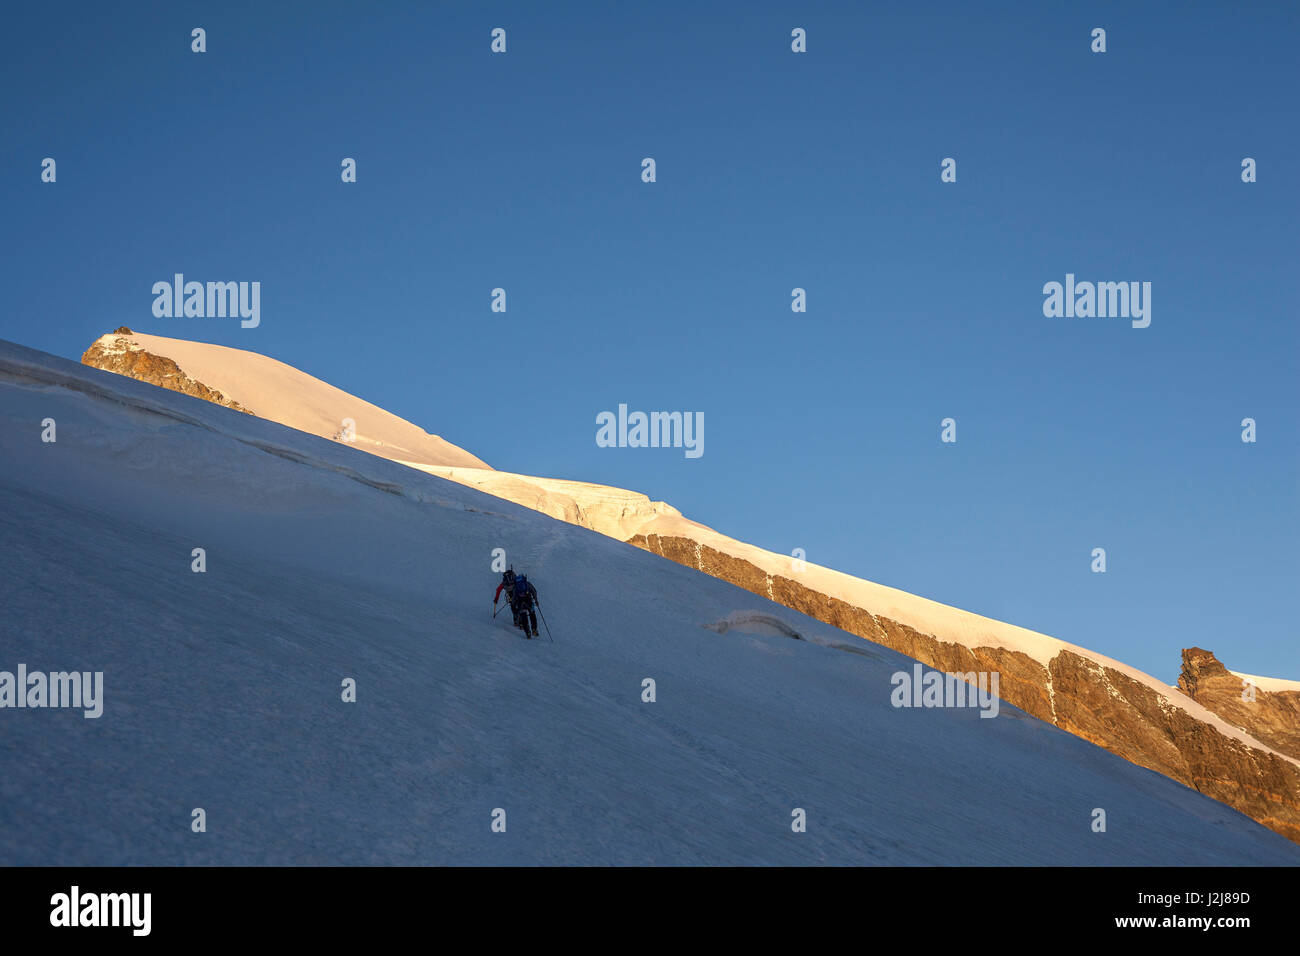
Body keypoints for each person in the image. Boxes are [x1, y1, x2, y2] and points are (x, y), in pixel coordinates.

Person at [494, 568, 540, 638]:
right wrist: (536, 600)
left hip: (519, 601)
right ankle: (534, 629)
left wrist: (497, 599)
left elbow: (500, 590)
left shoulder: (508, 585)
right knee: (532, 614)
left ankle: (524, 628)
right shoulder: (526, 584)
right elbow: (534, 591)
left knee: (521, 613)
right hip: (528, 600)